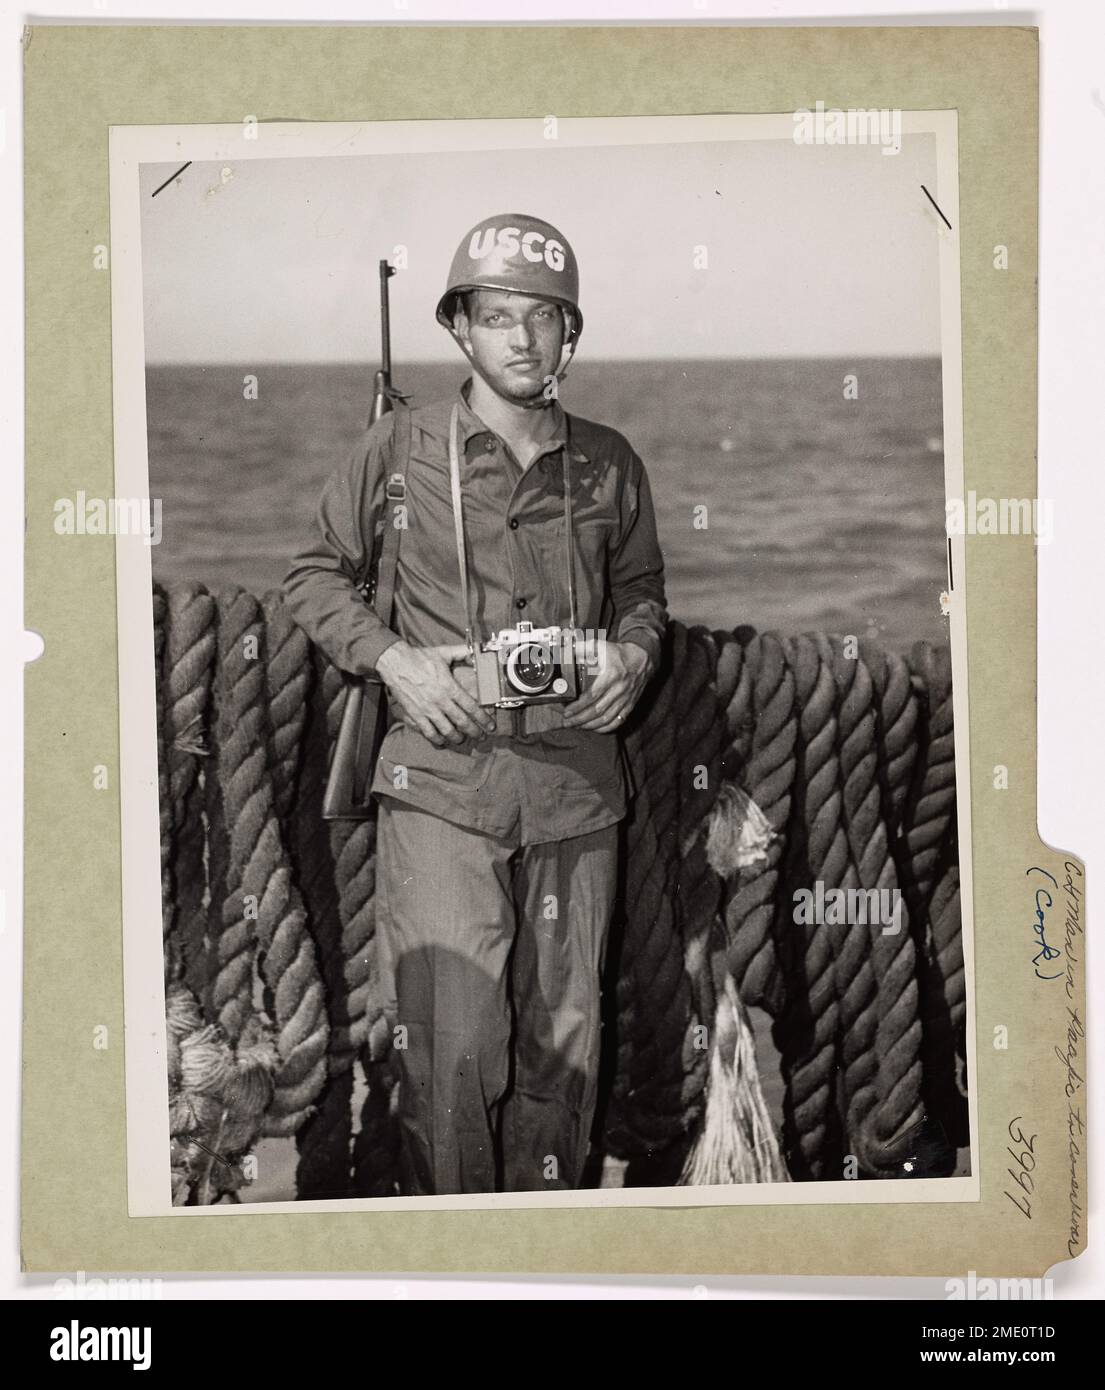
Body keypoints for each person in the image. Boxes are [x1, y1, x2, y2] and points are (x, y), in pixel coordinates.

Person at [284, 213, 668, 1195]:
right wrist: (395, 663)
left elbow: (640, 591)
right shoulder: (396, 447)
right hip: (444, 785)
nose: (521, 338)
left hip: (577, 792)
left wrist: (633, 655)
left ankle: (547, 1246)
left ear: (569, 332)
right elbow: (313, 576)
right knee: (450, 1051)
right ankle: (456, 1252)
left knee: (566, 1054)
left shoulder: (611, 462)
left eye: (543, 317)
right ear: (459, 328)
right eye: (496, 316)